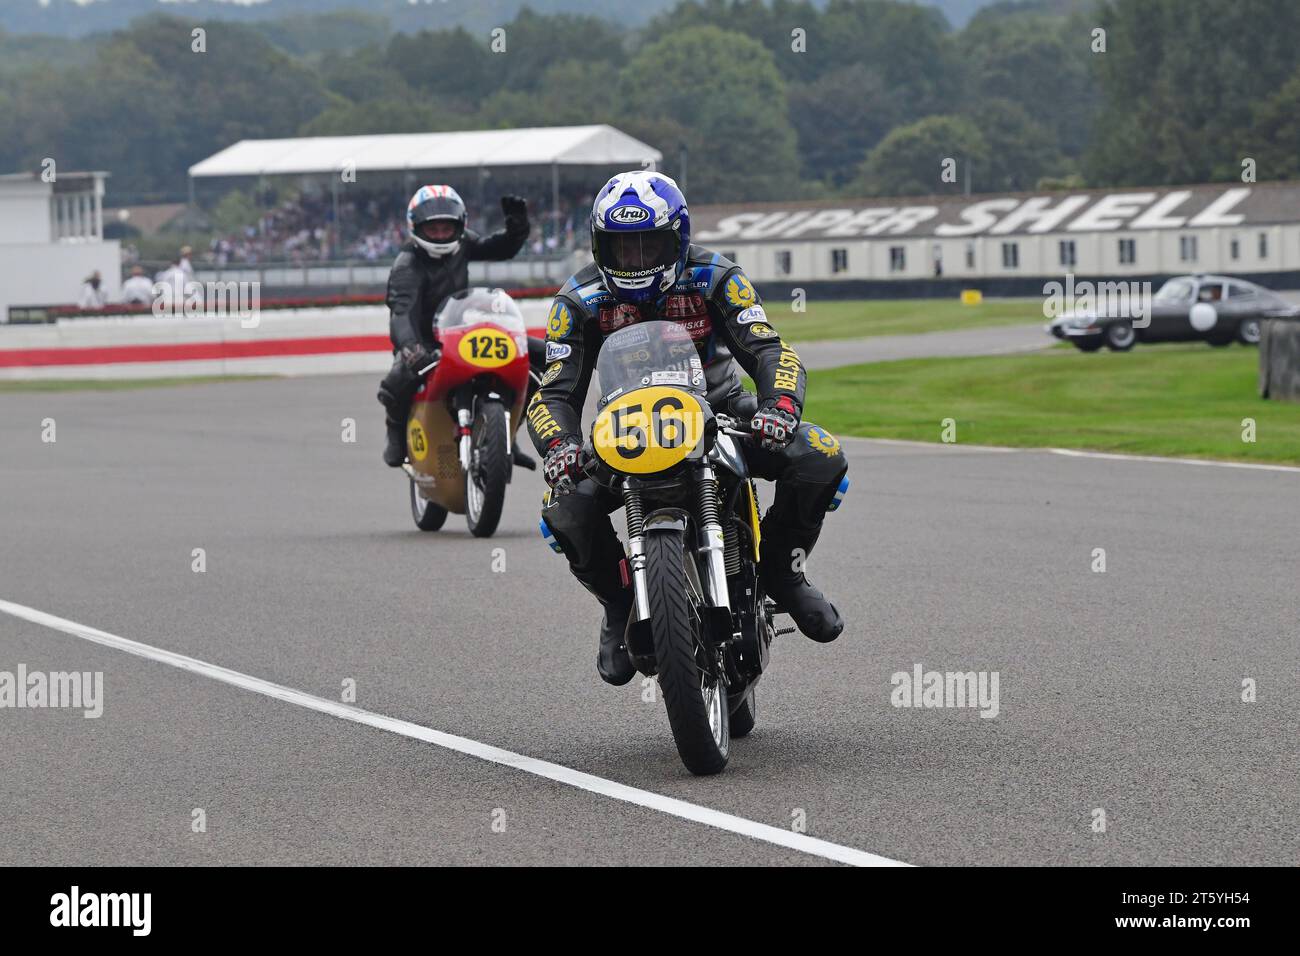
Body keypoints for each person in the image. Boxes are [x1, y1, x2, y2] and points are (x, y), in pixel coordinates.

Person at [528, 171, 849, 686]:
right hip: (624, 429)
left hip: (721, 410)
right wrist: (560, 446)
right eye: (620, 248)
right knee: (561, 507)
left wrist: (779, 407)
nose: (633, 261)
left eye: (647, 245)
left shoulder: (718, 276)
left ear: (677, 237)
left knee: (819, 455)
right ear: (597, 244)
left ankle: (785, 573)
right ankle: (617, 606)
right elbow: (554, 391)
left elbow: (769, 349)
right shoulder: (577, 299)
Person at [377, 185, 532, 467]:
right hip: (424, 340)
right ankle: (396, 432)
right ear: (417, 228)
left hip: (458, 329)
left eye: (446, 228)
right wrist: (411, 348)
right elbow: (401, 314)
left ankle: (506, 437)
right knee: (397, 380)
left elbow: (499, 249)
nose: (440, 235)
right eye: (433, 229)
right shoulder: (406, 265)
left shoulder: (463, 244)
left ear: (459, 226)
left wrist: (517, 227)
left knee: (531, 361)